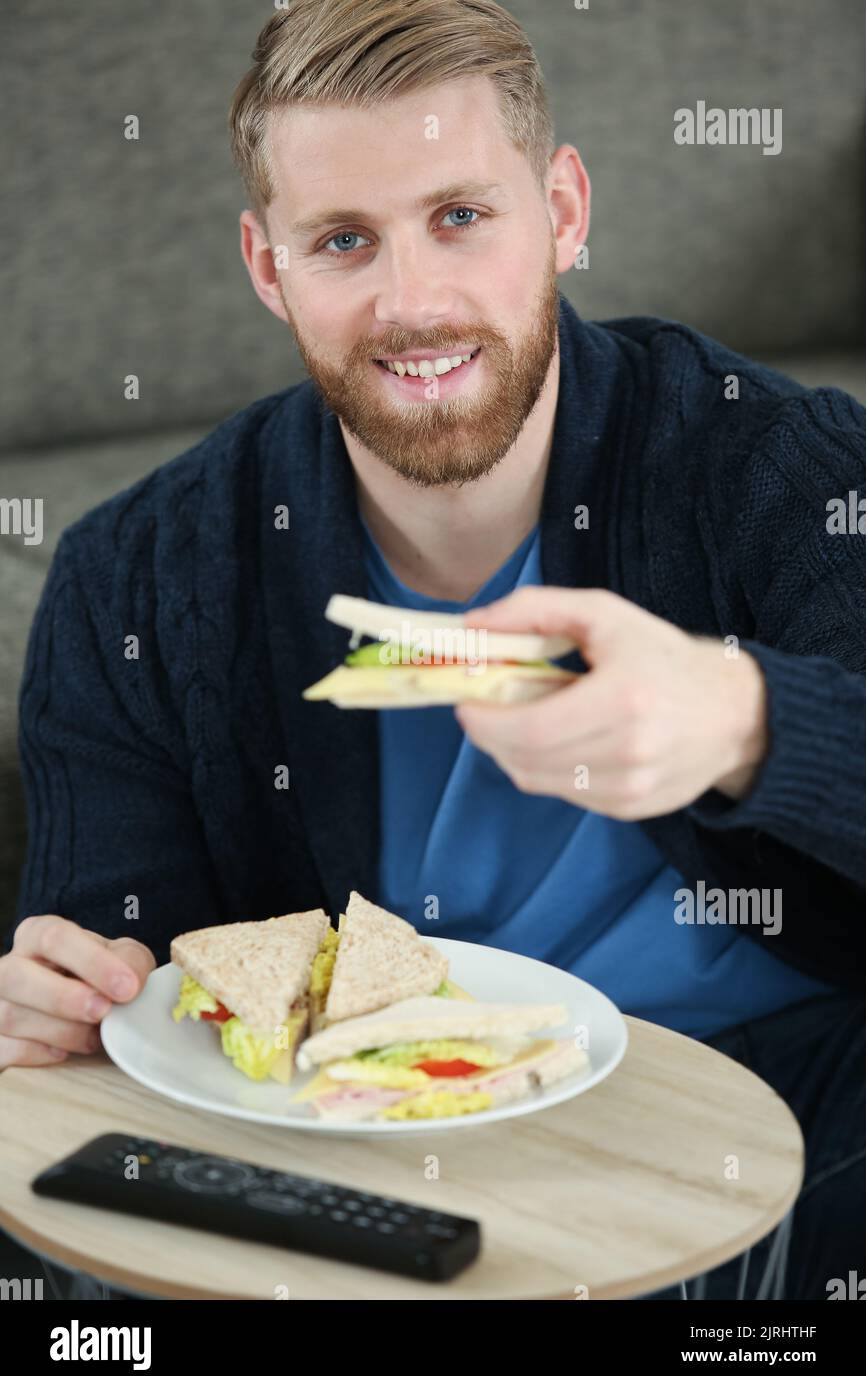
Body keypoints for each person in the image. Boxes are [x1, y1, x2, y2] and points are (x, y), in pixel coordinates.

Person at [3, 1, 865, 1300]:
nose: (412, 303)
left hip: (779, 1109)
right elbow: (115, 962)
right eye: (343, 240)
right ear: (266, 264)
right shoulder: (131, 575)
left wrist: (746, 720)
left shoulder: (771, 465)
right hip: (362, 1154)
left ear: (563, 211)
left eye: (461, 216)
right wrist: (61, 993)